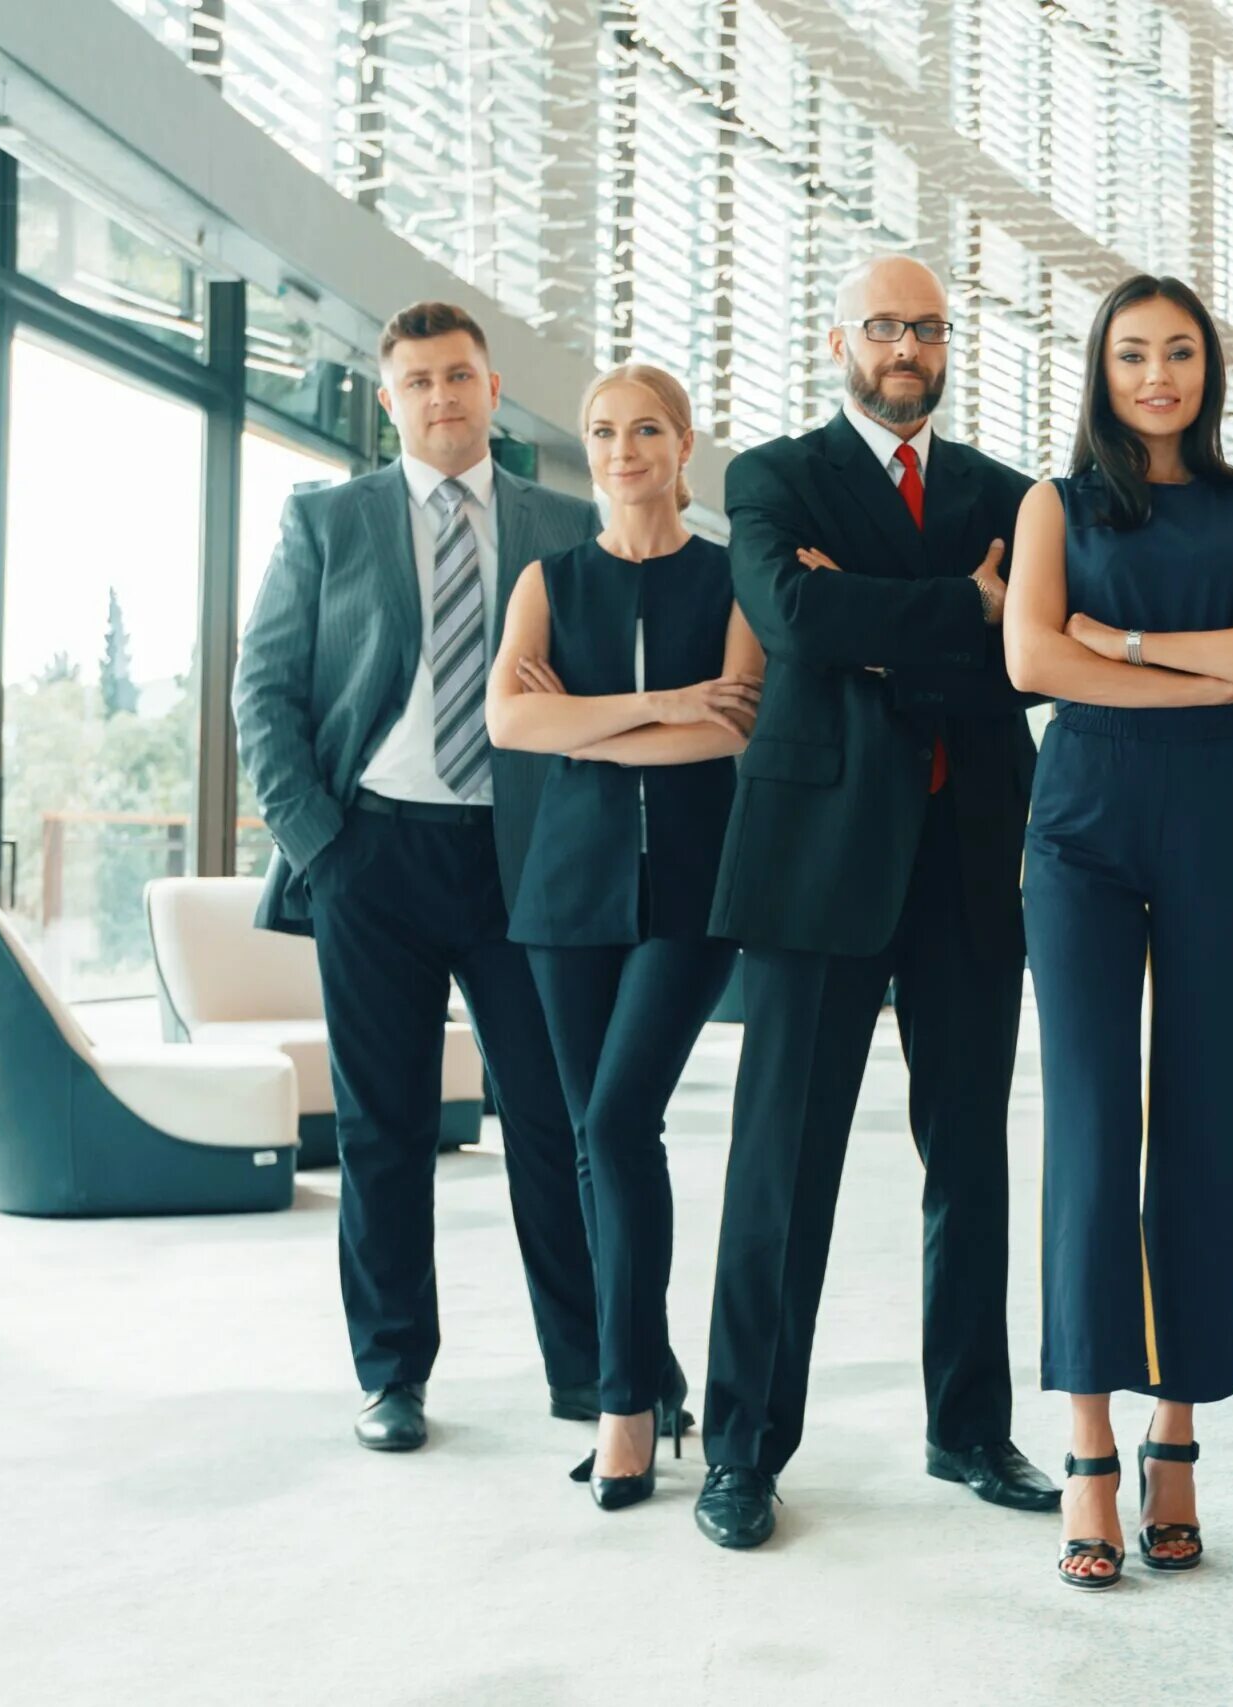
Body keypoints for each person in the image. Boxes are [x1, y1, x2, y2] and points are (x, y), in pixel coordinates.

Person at [694, 254, 1054, 1551]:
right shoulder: (772, 477)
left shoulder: (1009, 493)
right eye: (886, 326)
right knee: (781, 1167)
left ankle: (969, 1427)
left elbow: (1029, 653)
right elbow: (791, 615)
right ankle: (741, 1449)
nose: (907, 347)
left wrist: (881, 614)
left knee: (969, 1160)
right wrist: (959, 602)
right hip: (816, 860)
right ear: (842, 336)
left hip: (970, 858)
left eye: (929, 328)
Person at [1007, 274, 1233, 1589]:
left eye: (1182, 352)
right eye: (1135, 353)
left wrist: (1132, 640)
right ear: (1102, 366)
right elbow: (1035, 659)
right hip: (1080, 820)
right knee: (1092, 1124)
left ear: (1209, 368)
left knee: (1205, 1118)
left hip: (1213, 817)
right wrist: (1219, 662)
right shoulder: (1055, 502)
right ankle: (1089, 1432)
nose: (1159, 374)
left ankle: (1180, 1424)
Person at [234, 301, 603, 1453]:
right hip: (372, 855)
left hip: (520, 856)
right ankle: (392, 1374)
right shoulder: (325, 520)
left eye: (460, 376)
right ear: (387, 400)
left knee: (552, 1119)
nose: (442, 397)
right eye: (418, 382)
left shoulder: (567, 522)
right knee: (382, 1127)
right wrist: (324, 850)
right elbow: (265, 695)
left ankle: (591, 1374)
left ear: (495, 392)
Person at [484, 363, 764, 1509]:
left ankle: (623, 1406)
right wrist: (657, 705)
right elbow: (511, 719)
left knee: (614, 1118)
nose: (621, 447)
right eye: (602, 429)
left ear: (684, 443)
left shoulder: (731, 576)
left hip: (695, 892)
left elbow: (731, 731)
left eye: (645, 428)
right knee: (595, 1141)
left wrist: (585, 727)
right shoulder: (548, 582)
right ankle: (649, 1381)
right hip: (568, 896)